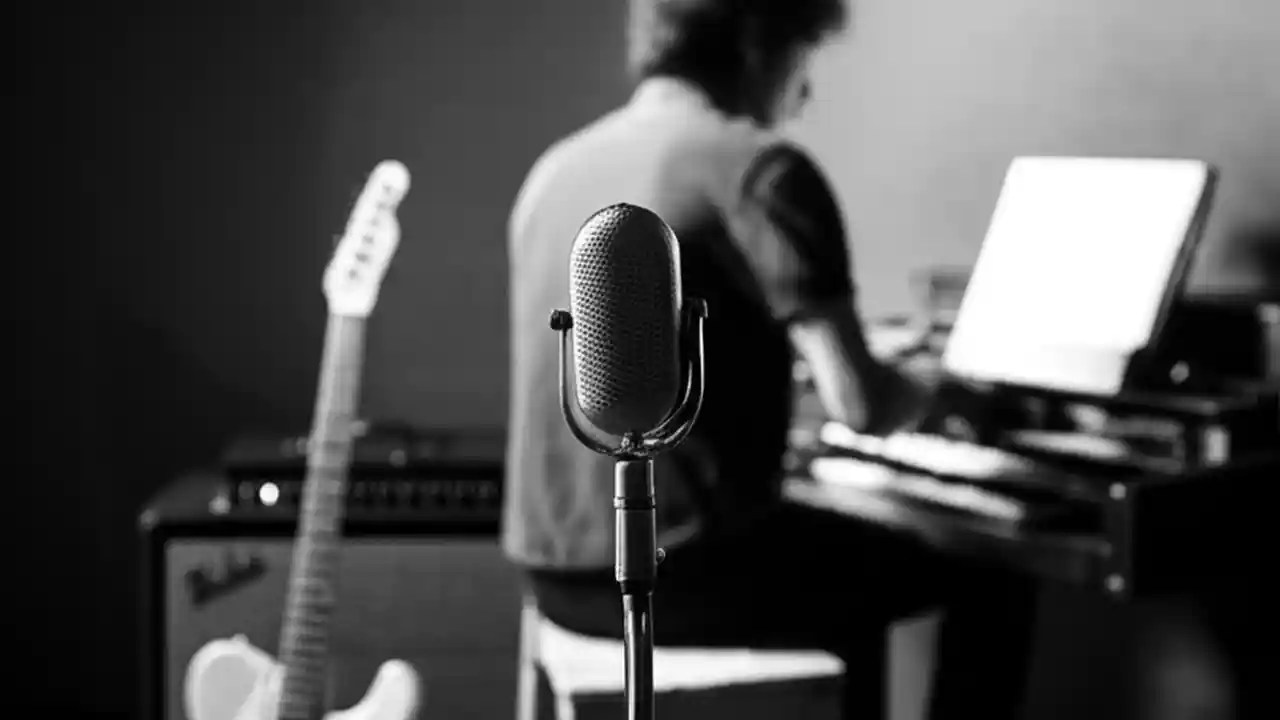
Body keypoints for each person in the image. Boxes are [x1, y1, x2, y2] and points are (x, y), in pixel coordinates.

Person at [502, 1, 1037, 717]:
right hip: (684, 569)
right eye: (804, 54)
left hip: (553, 573)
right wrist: (949, 389)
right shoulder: (761, 168)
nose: (804, 90)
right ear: (760, 43)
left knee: (841, 556)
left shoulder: (556, 169)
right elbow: (862, 405)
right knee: (993, 572)